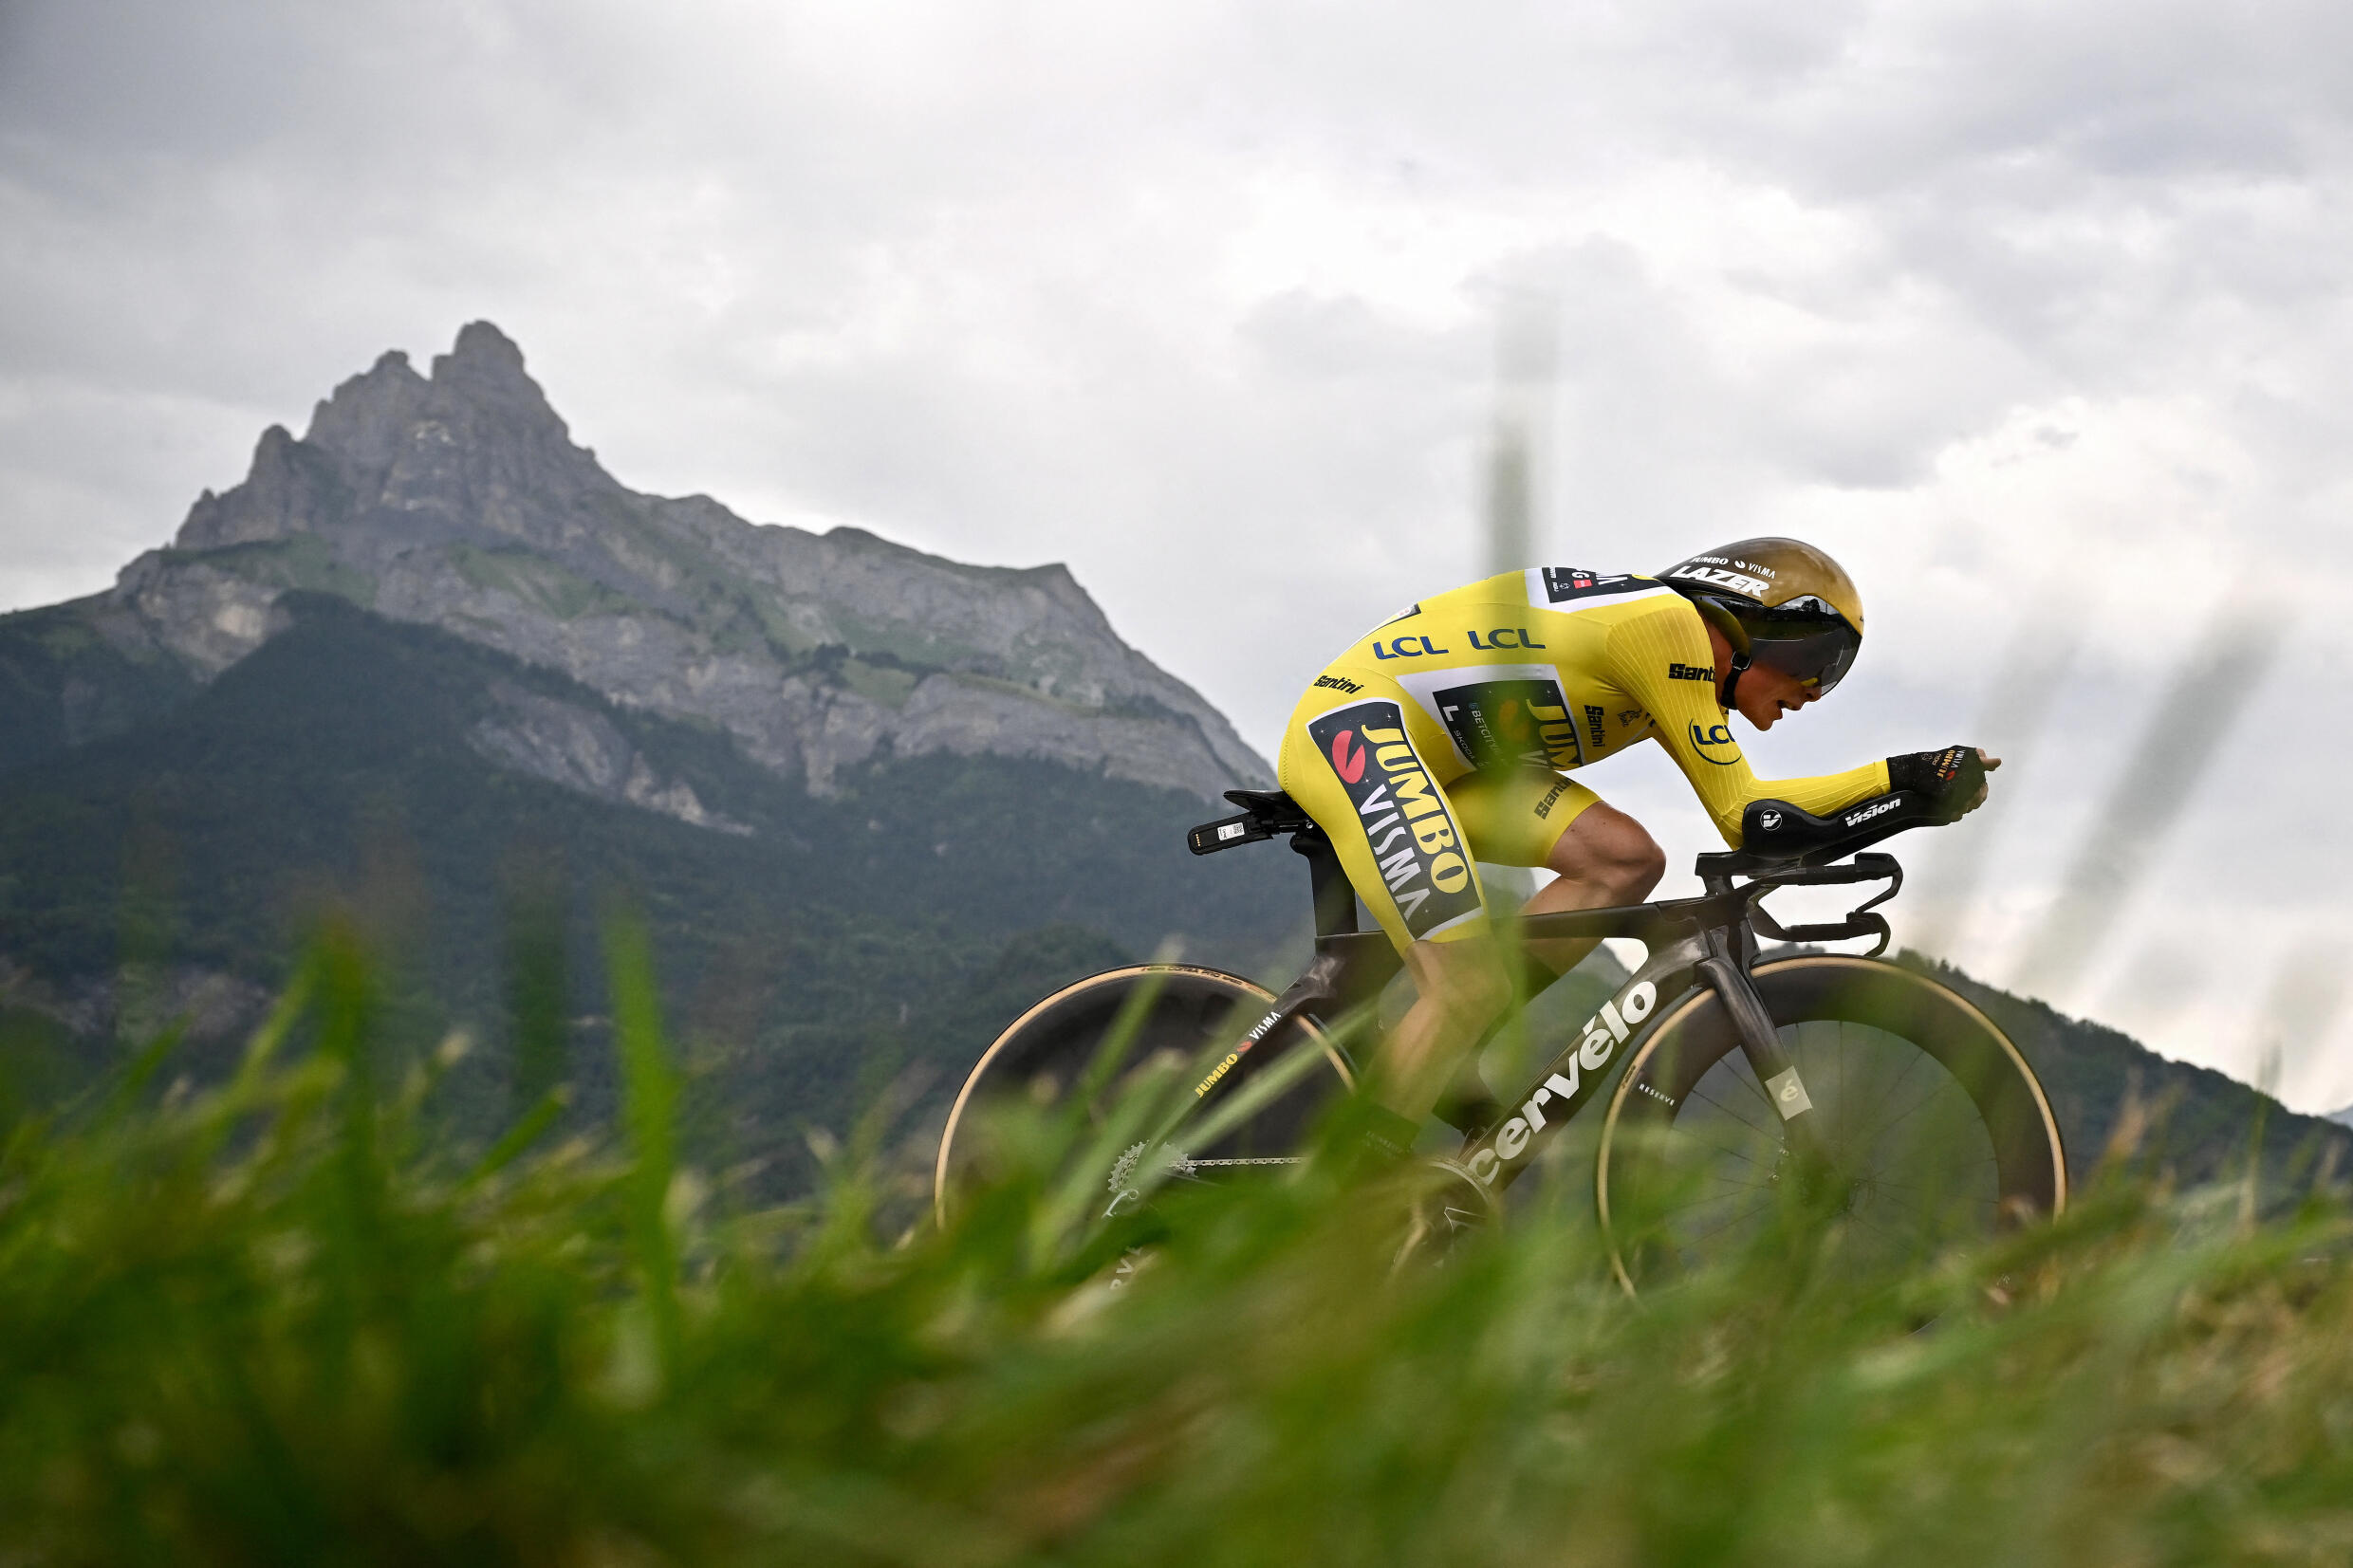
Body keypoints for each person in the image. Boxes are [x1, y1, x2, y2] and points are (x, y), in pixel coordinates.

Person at [1274, 537, 1994, 1182]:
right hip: (1358, 730)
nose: (1813, 693)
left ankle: (1442, 1047)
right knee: (1461, 984)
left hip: (1445, 763)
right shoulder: (1669, 629)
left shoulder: (1669, 658)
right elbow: (1750, 817)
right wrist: (1905, 777)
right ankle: (1335, 1217)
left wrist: (1914, 793)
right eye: (1815, 663)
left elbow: (1760, 818)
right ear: (1749, 624)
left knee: (1624, 860)